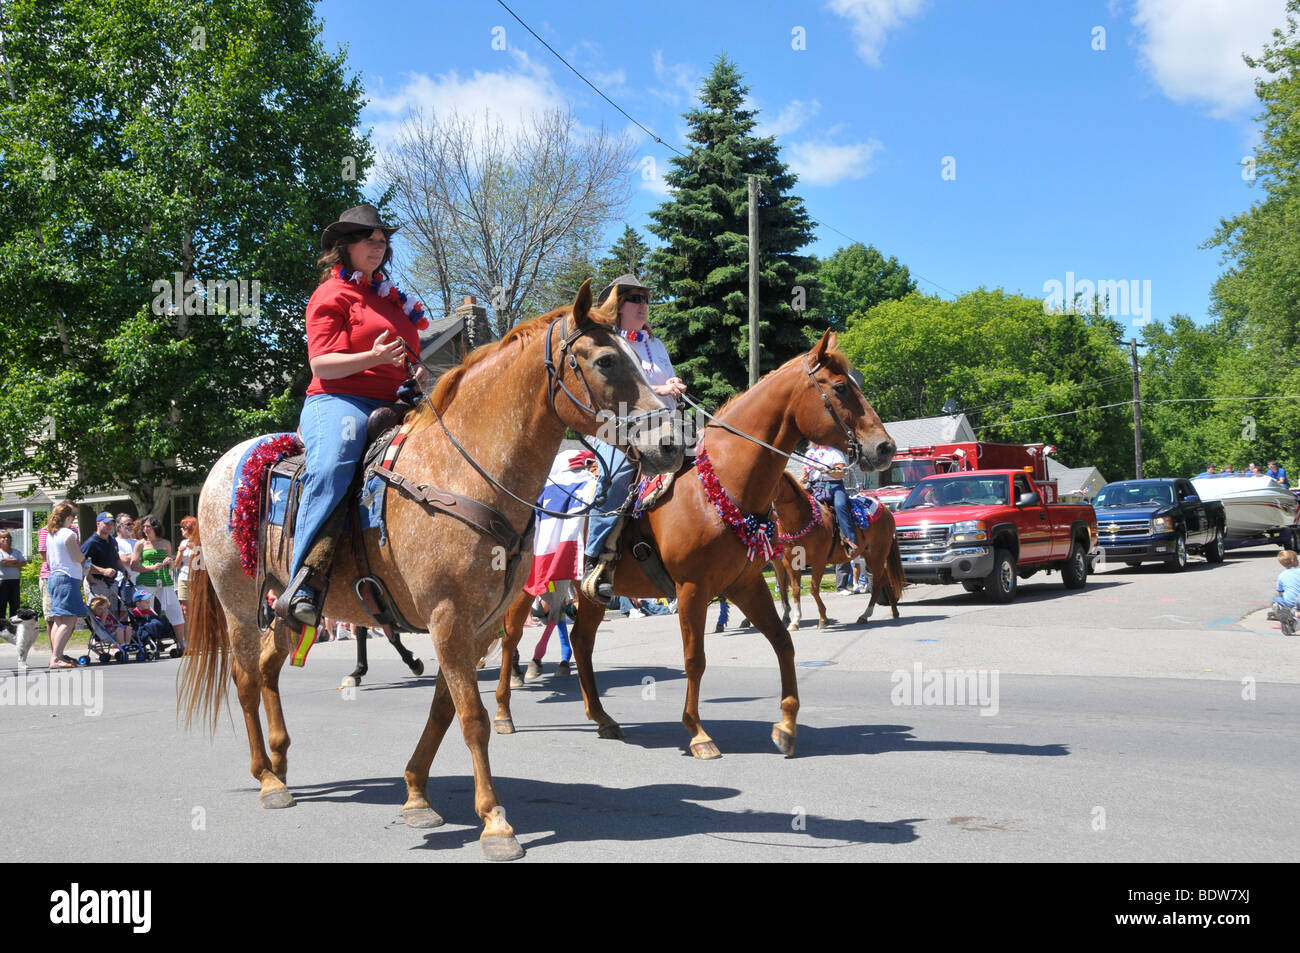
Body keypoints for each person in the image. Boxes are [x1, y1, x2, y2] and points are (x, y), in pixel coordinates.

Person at [274, 203, 428, 627]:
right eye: (369, 240)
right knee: (334, 462)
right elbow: (322, 365)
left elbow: (406, 354)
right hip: (338, 399)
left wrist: (416, 369)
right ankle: (301, 581)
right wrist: (373, 356)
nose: (378, 247)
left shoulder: (390, 297)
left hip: (396, 400)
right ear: (345, 247)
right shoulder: (331, 294)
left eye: (382, 241)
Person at [581, 274, 686, 605]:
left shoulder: (655, 344)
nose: (643, 305)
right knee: (616, 477)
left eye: (645, 299)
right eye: (635, 299)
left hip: (665, 424)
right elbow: (620, 389)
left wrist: (675, 387)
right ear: (617, 304)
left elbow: (662, 382)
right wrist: (660, 389)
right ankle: (595, 559)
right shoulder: (611, 342)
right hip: (620, 425)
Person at [131, 515, 187, 652]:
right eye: (143, 526)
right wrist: (149, 568)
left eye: (148, 526)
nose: (145, 529)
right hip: (145, 581)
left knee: (175, 610)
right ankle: (144, 643)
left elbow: (172, 567)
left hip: (164, 581)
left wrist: (170, 562)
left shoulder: (165, 543)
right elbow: (133, 565)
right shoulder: (140, 544)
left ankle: (181, 644)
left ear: (155, 527)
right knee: (145, 613)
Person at [44, 502, 87, 669]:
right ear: (68, 517)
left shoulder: (50, 534)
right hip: (67, 577)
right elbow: (77, 557)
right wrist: (84, 557)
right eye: (73, 517)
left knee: (58, 619)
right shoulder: (68, 534)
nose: (74, 520)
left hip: (54, 576)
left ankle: (57, 655)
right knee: (69, 620)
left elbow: (47, 560)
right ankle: (56, 658)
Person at [803, 444, 859, 559]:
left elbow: (841, 473)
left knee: (840, 506)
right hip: (815, 487)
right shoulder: (809, 454)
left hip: (834, 486)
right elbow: (804, 475)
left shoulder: (835, 451)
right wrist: (803, 478)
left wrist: (827, 471)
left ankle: (850, 541)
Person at [82, 511, 127, 615]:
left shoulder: (112, 541)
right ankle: (98, 632)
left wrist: (124, 570)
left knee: (118, 612)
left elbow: (116, 559)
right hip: (96, 582)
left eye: (111, 524)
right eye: (106, 523)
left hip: (112, 582)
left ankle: (115, 631)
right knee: (99, 614)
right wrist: (103, 571)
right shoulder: (91, 543)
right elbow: (84, 564)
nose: (110, 526)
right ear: (98, 524)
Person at [87, 595, 127, 660]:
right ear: (94, 610)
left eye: (105, 608)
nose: (103, 611)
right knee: (120, 630)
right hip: (107, 634)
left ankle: (126, 644)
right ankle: (122, 646)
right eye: (100, 609)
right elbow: (101, 627)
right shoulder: (97, 618)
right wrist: (104, 617)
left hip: (114, 631)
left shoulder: (109, 616)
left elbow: (114, 623)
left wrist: (117, 625)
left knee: (128, 628)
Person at [174, 515, 199, 619]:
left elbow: (201, 565)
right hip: (183, 578)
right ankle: (187, 634)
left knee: (197, 607)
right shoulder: (183, 542)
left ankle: (197, 632)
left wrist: (196, 550)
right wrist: (180, 552)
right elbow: (177, 564)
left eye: (184, 527)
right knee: (185, 609)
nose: (181, 529)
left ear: (190, 528)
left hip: (195, 579)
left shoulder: (199, 542)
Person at [1272, 550, 1300, 636]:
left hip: (1289, 602)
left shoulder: (1282, 575)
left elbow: (1280, 592)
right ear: (1293, 561)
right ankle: (1296, 614)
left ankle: (1285, 611)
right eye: (1297, 558)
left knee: (1277, 599)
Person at [0, 528, 26, 619]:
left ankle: (13, 627)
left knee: (15, 605)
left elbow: (23, 563)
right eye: (3, 538)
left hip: (14, 581)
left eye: (8, 538)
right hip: (2, 582)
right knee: (1, 605)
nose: (6, 539)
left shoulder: (16, 552)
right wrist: (15, 560)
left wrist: (10, 562)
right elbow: (2, 562)